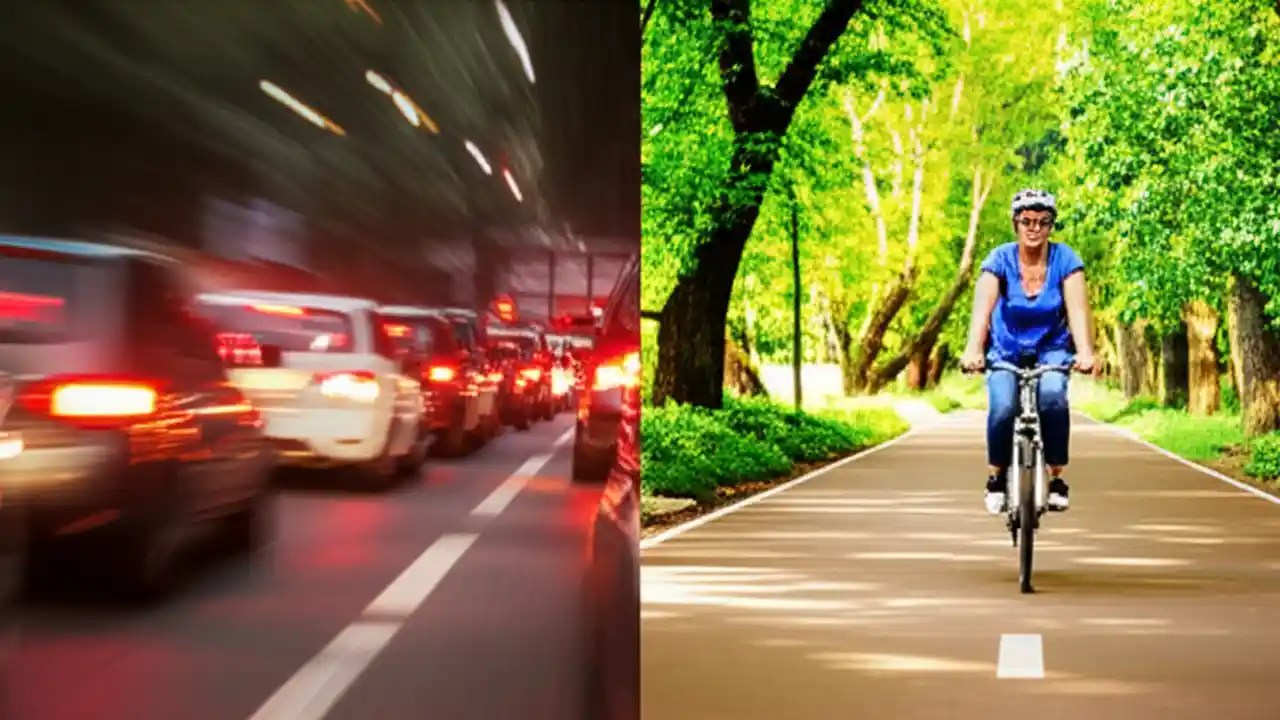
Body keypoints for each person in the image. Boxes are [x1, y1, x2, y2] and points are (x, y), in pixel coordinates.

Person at [959, 189, 1097, 515]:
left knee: (1052, 398)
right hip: (1005, 349)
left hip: (1052, 349)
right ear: (1015, 224)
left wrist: (1086, 352)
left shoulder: (1066, 260)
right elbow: (983, 308)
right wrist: (973, 350)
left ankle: (1056, 476)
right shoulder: (999, 260)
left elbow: (1078, 310)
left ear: (1051, 226)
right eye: (1027, 221)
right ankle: (995, 477)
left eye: (1043, 222)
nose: (1034, 228)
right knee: (1004, 406)